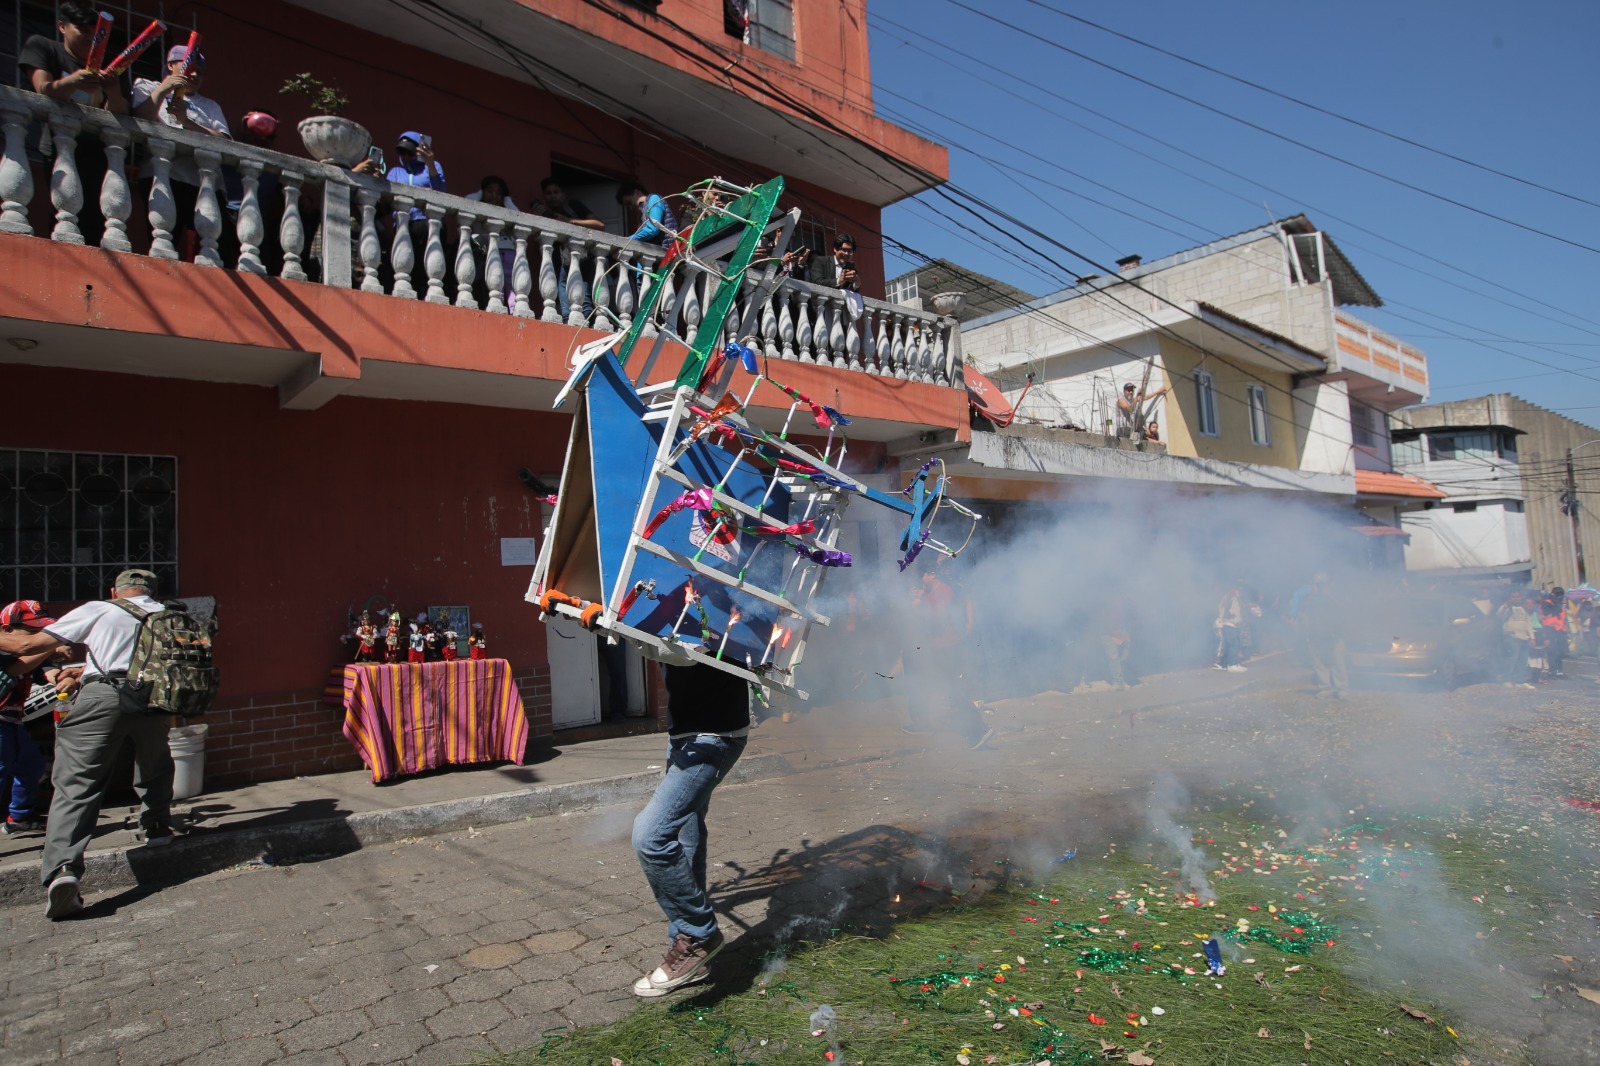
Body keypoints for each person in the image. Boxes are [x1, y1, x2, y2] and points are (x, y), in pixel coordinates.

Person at [0, 570, 178, 919]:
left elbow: (25, 647)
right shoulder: (168, 615)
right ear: (153, 592)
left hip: (104, 695)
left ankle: (64, 870)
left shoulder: (100, 609)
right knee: (155, 760)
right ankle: (157, 827)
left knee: (77, 781)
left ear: (115, 591)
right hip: (155, 697)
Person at [630, 661, 748, 997]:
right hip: (684, 733)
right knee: (687, 835)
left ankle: (699, 934)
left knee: (650, 836)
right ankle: (692, 957)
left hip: (716, 733)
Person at [18, 0, 130, 247]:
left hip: (100, 150)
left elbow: (122, 112)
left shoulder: (108, 66)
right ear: (62, 26)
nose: (90, 37)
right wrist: (74, 81)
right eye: (83, 29)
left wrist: (113, 90)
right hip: (59, 145)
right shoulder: (44, 47)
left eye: (94, 32)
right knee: (65, 210)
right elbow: (42, 88)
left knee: (98, 215)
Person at [132, 45, 232, 261]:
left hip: (202, 183)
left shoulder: (210, 106)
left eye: (201, 72)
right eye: (191, 68)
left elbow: (225, 142)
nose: (195, 75)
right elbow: (139, 119)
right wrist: (164, 89)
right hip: (162, 175)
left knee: (222, 246)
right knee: (163, 242)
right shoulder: (147, 86)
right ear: (171, 65)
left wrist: (187, 122)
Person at [0, 600, 61, 837]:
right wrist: (51, 646)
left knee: (31, 766)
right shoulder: (7, 651)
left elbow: (45, 672)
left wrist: (63, 676)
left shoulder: (31, 654)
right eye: (33, 632)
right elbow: (16, 668)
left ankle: (20, 817)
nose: (39, 638)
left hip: (13, 722)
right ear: (7, 630)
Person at [387, 132, 446, 295]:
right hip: (404, 225)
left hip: (428, 225)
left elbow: (441, 193)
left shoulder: (432, 167)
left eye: (410, 152)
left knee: (427, 268)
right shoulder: (396, 172)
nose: (406, 157)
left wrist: (431, 165)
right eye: (402, 152)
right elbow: (389, 196)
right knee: (404, 266)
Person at [1297, 574, 1349, 699]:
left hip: (1335, 635)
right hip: (1316, 634)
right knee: (1319, 664)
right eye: (1318, 584)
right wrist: (1313, 595)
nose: (1320, 587)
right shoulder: (1311, 597)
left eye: (1323, 584)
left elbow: (1343, 607)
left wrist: (1327, 595)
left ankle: (1341, 689)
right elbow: (1302, 608)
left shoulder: (1336, 594)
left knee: (1338, 663)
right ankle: (1325, 689)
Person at [617, 180, 679, 246]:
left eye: (629, 203)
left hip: (669, 248)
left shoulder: (654, 199)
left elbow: (653, 229)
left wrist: (627, 240)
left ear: (637, 192)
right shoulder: (644, 211)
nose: (630, 208)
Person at [1498, 590, 1537, 688]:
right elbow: (1498, 615)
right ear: (1510, 598)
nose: (1516, 598)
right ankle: (1507, 679)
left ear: (1520, 597)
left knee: (1523, 660)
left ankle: (1520, 680)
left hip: (1524, 637)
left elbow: (1528, 623)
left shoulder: (1524, 608)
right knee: (1512, 659)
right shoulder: (1507, 607)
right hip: (1512, 637)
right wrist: (1504, 606)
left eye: (1518, 596)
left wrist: (1532, 637)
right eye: (1514, 597)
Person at [1213, 584, 1246, 672]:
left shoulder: (1232, 597)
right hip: (1229, 623)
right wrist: (1236, 618)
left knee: (1230, 644)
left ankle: (1226, 664)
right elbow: (1230, 612)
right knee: (1233, 644)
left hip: (1231, 623)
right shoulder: (1230, 598)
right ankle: (1232, 664)